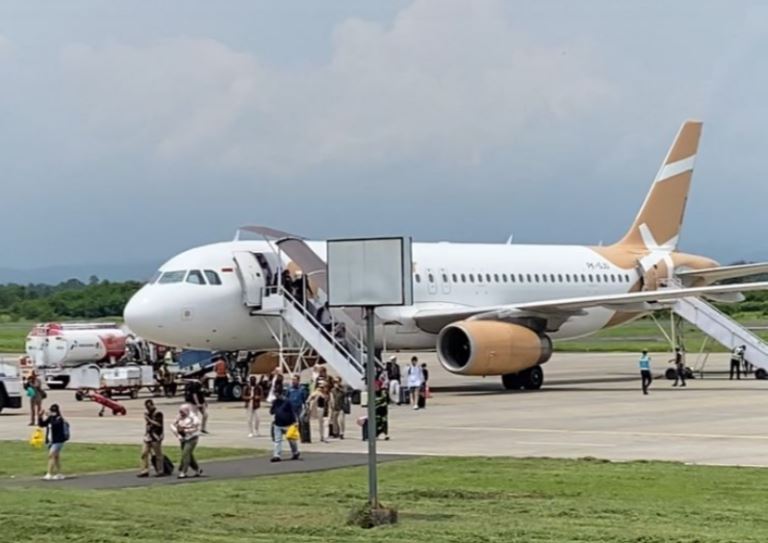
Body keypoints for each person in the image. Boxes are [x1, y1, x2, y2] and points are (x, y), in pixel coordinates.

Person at [171, 404, 202, 479]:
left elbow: (196, 427)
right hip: (183, 438)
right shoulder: (179, 417)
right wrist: (178, 434)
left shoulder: (193, 417)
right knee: (189, 455)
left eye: (182, 412)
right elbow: (172, 425)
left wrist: (185, 430)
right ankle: (197, 469)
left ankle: (183, 472)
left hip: (192, 438)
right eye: (180, 411)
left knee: (185, 453)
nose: (181, 413)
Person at [38, 404, 68, 480]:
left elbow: (55, 425)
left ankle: (49, 473)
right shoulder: (50, 418)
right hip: (50, 441)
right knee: (56, 457)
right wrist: (40, 416)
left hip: (58, 441)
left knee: (51, 455)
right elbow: (42, 424)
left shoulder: (59, 419)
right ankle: (59, 473)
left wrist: (51, 417)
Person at [270, 390, 300, 462]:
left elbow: (292, 412)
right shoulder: (275, 402)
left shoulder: (287, 402)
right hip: (278, 424)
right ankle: (277, 455)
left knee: (291, 439)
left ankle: (295, 452)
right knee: (277, 440)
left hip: (288, 424)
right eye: (275, 395)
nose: (277, 397)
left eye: (278, 395)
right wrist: (273, 406)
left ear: (281, 394)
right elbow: (271, 412)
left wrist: (295, 421)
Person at [138, 399, 164, 477]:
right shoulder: (147, 413)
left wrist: (149, 420)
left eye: (149, 406)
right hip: (148, 436)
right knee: (144, 453)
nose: (148, 408)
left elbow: (159, 424)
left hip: (156, 436)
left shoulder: (158, 413)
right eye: (146, 407)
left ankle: (160, 470)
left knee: (158, 454)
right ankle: (144, 470)